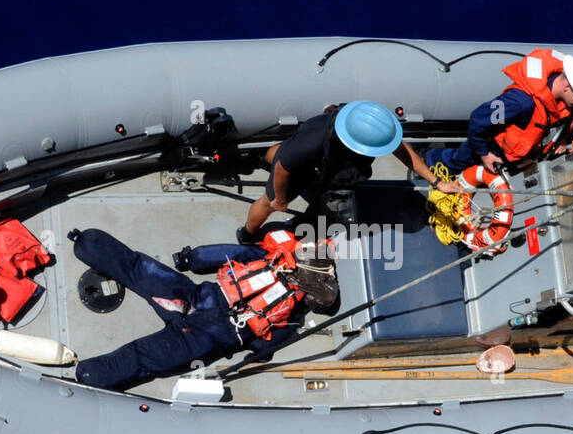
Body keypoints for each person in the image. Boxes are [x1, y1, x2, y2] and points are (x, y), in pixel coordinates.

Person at [68, 227, 337, 390]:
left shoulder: (272, 257)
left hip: (201, 297)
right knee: (145, 357)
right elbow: (262, 348)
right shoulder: (295, 310)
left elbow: (224, 253)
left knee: (139, 270)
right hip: (212, 337)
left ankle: (87, 242)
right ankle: (91, 374)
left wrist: (189, 259)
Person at [239, 100, 460, 244]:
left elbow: (402, 149)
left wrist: (437, 182)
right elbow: (282, 169)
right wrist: (280, 197)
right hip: (306, 165)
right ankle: (247, 233)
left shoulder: (368, 126)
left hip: (332, 166)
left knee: (291, 159)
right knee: (268, 201)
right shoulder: (311, 143)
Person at [425, 49, 573, 174]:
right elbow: (479, 120)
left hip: (517, 164)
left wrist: (564, 139)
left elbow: (548, 127)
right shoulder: (521, 102)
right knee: (454, 165)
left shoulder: (565, 104)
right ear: (566, 85)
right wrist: (484, 154)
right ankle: (426, 162)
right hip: (487, 154)